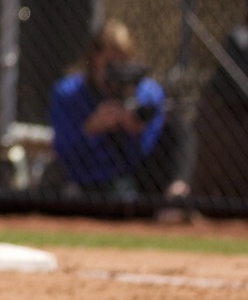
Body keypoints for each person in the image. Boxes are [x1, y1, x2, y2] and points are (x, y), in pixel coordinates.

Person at [47, 19, 186, 202]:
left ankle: (175, 199)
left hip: (138, 180)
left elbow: (152, 154)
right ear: (94, 58)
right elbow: (63, 152)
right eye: (110, 63)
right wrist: (90, 129)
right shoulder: (68, 93)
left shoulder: (148, 94)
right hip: (88, 181)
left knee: (179, 126)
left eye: (123, 63)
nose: (117, 71)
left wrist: (136, 131)